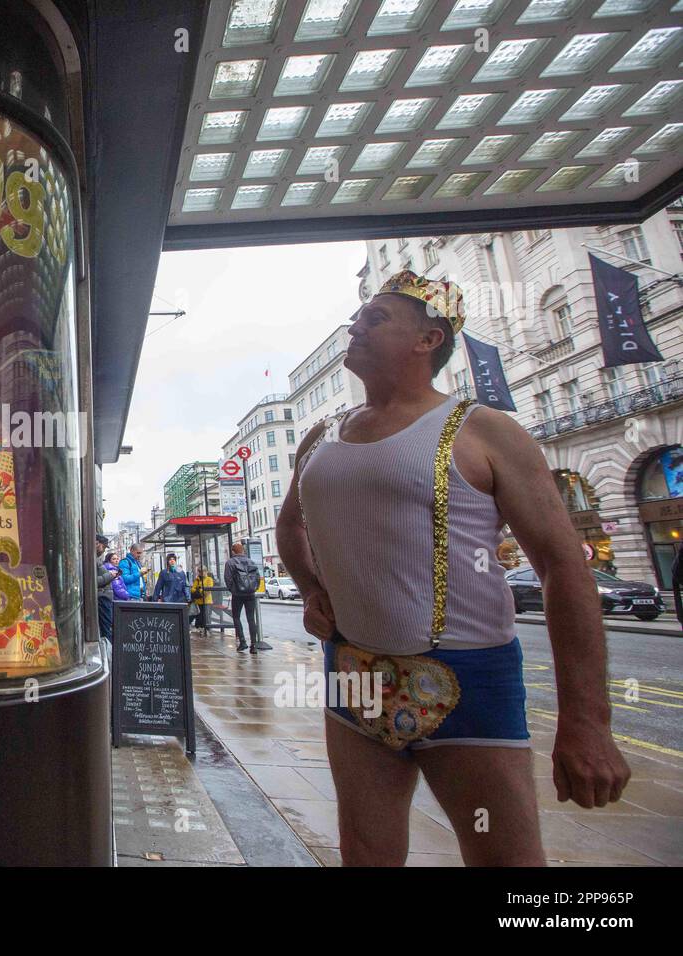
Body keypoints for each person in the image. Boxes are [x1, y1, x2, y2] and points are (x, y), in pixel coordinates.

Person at [275, 270, 630, 867]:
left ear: (428, 339)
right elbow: (291, 525)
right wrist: (312, 589)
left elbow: (564, 568)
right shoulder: (320, 437)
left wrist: (587, 723)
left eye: (375, 319)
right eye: (359, 318)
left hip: (471, 680)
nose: (355, 328)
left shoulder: (486, 431)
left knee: (506, 860)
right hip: (352, 673)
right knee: (365, 853)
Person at [224, 543, 269, 653]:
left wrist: (233, 590)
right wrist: (253, 589)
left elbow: (228, 579)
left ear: (233, 551)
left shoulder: (230, 562)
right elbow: (258, 578)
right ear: (243, 551)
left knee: (236, 617)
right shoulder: (251, 561)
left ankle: (243, 642)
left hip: (238, 594)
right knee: (251, 619)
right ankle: (253, 645)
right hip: (250, 594)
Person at [95, 534, 120, 640]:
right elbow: (92, 580)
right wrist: (110, 575)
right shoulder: (91, 558)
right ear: (96, 544)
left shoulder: (95, 558)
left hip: (104, 597)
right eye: (103, 547)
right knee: (106, 629)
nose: (103, 550)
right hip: (102, 597)